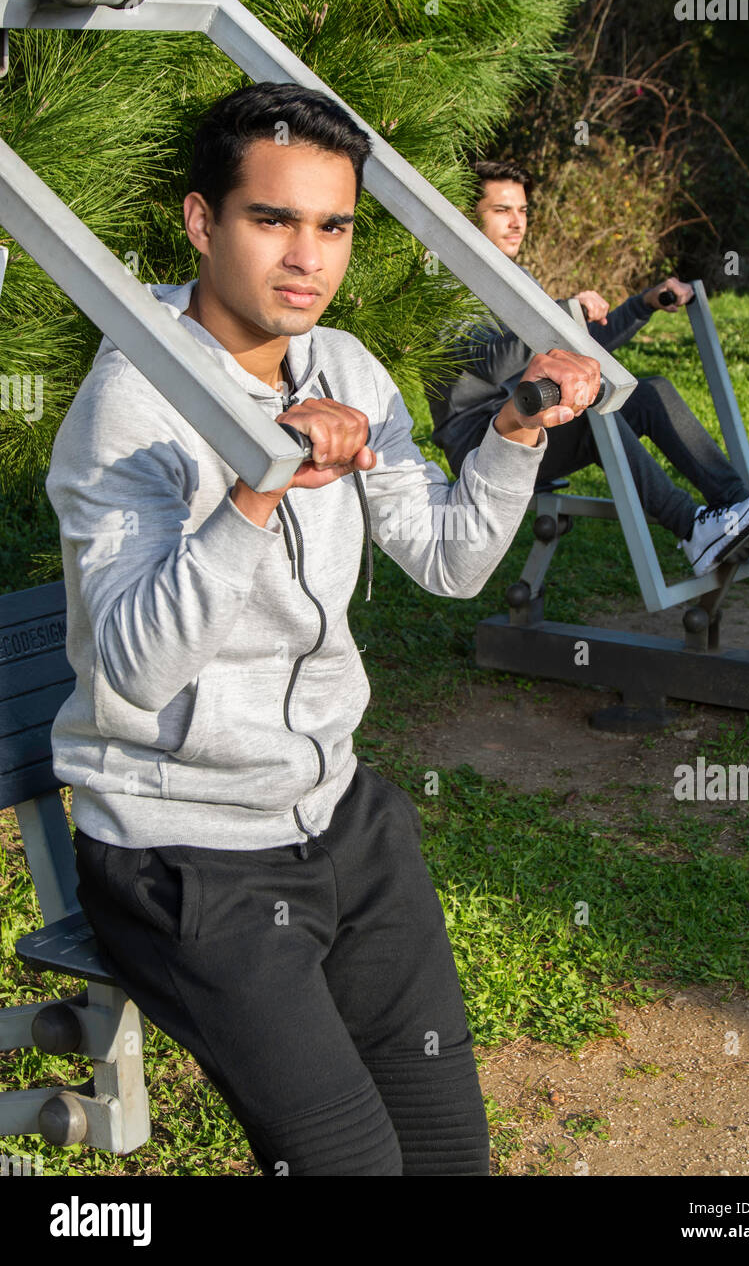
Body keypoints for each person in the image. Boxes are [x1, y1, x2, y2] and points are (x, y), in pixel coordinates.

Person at [45, 85, 604, 1177]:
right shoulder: (131, 408)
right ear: (203, 222)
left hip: (343, 819)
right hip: (183, 852)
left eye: (332, 225)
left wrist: (509, 436)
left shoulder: (343, 367)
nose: (308, 257)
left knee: (447, 1157)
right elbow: (131, 668)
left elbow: (445, 560)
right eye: (272, 220)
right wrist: (258, 490)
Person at [427, 160, 749, 575]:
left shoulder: (516, 276)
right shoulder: (442, 284)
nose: (517, 222)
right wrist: (564, 313)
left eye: (523, 210)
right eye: (502, 210)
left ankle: (741, 505)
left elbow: (577, 347)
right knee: (591, 418)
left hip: (528, 419)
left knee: (650, 393)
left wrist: (642, 304)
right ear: (468, 216)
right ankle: (692, 529)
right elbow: (490, 365)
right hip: (483, 441)